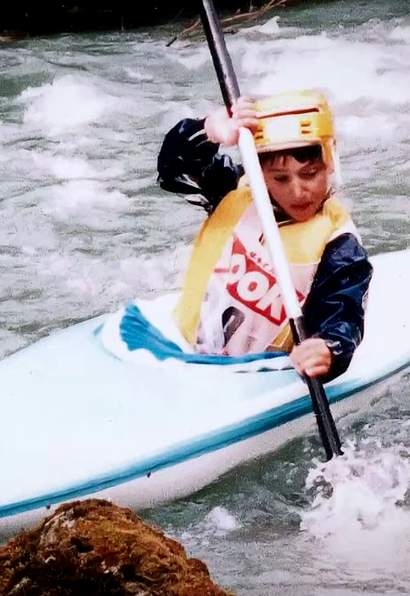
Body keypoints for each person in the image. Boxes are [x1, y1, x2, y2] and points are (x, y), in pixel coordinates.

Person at [157, 89, 371, 381]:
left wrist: (327, 349)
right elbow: (172, 170)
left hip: (255, 375)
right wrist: (209, 131)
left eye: (309, 174)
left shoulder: (339, 245)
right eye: (281, 178)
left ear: (329, 164)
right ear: (259, 171)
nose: (297, 191)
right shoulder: (233, 190)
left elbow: (342, 316)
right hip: (179, 353)